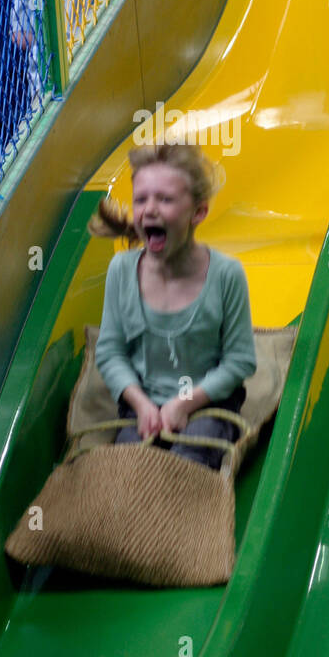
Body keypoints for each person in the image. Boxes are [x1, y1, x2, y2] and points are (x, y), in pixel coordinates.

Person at [89, 142, 256, 470]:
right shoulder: (122, 271)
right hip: (143, 404)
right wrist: (140, 404)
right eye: (141, 199)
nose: (149, 209)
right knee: (125, 468)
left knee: (184, 466)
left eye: (165, 199)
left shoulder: (225, 275)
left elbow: (240, 361)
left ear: (198, 212)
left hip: (207, 406)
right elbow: (110, 352)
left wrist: (185, 403)